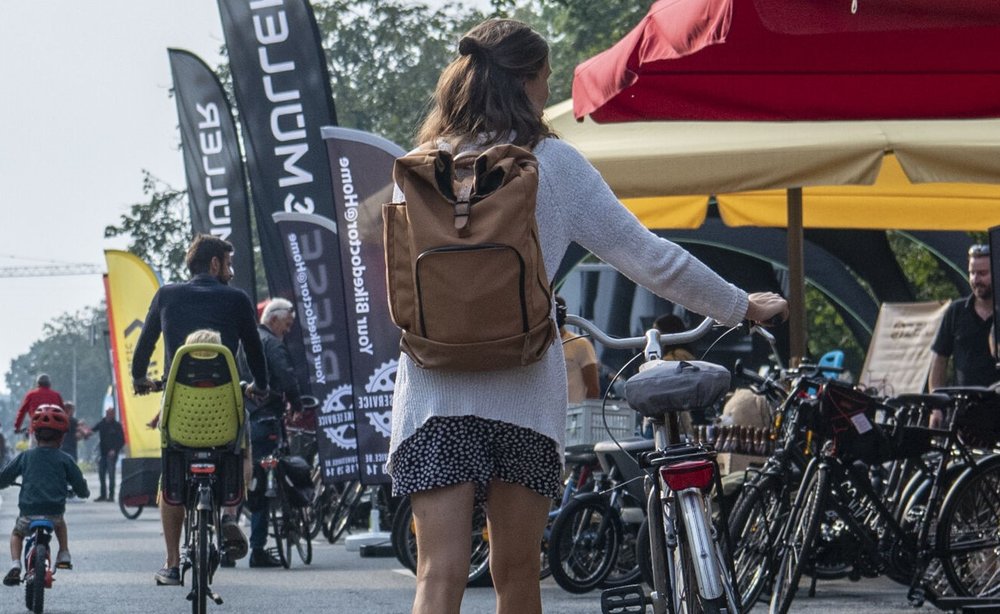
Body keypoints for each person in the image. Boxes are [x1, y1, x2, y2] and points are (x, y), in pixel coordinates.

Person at [384, 19, 789, 614]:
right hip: (522, 396)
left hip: (432, 395)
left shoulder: (416, 169)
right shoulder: (551, 163)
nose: (546, 95)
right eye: (545, 81)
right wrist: (740, 305)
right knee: (517, 574)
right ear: (524, 82)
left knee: (437, 574)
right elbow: (650, 257)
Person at [131, 233, 268, 586]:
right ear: (214, 264)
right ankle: (228, 511)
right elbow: (255, 353)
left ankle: (173, 562)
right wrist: (261, 387)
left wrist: (139, 379)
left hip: (179, 409)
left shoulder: (166, 295)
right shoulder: (237, 299)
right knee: (242, 447)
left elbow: (144, 346)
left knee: (170, 476)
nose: (232, 271)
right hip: (225, 413)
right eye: (229, 263)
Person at [0, 405, 90, 586]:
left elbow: (5, 476)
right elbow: (79, 484)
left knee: (17, 533)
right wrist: (83, 492)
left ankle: (16, 564)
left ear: (34, 434)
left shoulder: (25, 456)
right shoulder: (65, 459)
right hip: (54, 513)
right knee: (60, 524)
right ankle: (64, 553)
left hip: (28, 513)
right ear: (62, 436)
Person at [244, 298, 302, 569]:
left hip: (245, 419)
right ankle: (257, 548)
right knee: (266, 481)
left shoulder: (243, 342)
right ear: (274, 319)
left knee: (249, 479)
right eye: (287, 324)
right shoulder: (271, 343)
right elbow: (287, 376)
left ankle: (224, 541)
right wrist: (298, 404)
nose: (287, 330)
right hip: (267, 418)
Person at [928, 243, 999, 426]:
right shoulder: (956, 311)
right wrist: (936, 406)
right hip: (962, 412)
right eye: (972, 273)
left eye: (983, 273)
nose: (976, 279)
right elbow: (939, 359)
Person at [555, 296, 600, 403]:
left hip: (573, 415)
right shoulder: (538, 345)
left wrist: (584, 416)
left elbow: (593, 387)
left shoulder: (581, 344)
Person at [91, 407, 124, 502]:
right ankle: (103, 495)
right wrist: (85, 433)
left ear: (113, 414)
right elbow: (93, 430)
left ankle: (111, 495)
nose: (109, 415)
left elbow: (121, 440)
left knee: (111, 475)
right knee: (101, 474)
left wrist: (115, 450)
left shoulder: (117, 426)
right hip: (103, 453)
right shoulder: (102, 423)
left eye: (111, 414)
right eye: (108, 413)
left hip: (112, 454)